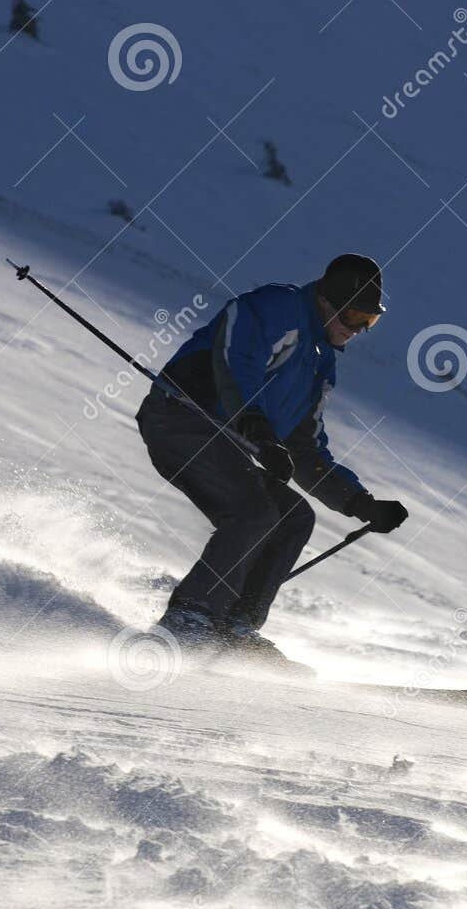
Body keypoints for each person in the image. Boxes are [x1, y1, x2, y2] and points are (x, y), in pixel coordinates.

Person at [137, 253, 409, 667]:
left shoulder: (319, 364)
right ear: (328, 300)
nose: (356, 330)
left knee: (293, 517)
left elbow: (305, 448)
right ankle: (188, 618)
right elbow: (236, 361)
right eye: (353, 316)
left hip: (226, 439)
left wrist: (359, 502)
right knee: (255, 511)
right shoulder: (278, 308)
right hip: (181, 417)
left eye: (369, 322)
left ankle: (234, 628)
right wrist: (257, 428)